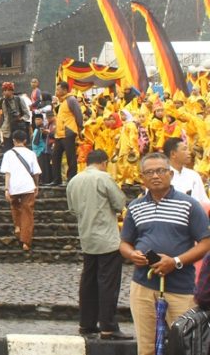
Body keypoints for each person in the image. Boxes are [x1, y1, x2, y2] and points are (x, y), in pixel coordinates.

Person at [120, 152, 210, 355]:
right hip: (143, 285)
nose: (155, 176)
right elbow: (124, 242)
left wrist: (176, 261)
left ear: (170, 173)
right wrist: (132, 254)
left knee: (187, 344)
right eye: (149, 172)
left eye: (160, 171)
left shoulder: (189, 205)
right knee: (146, 347)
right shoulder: (135, 207)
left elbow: (206, 243)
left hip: (180, 287)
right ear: (142, 177)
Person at [66, 150, 129, 340]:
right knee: (108, 283)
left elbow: (72, 209)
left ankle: (87, 324)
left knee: (88, 282)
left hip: (87, 237)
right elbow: (119, 203)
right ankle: (108, 326)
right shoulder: (104, 177)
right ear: (103, 162)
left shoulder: (73, 181)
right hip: (107, 239)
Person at [0, 130, 41, 251]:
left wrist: (6, 188)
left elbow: (7, 173)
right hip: (28, 186)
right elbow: (36, 173)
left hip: (14, 186)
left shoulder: (8, 154)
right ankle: (26, 242)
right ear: (25, 141)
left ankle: (17, 226)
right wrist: (36, 186)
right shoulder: (31, 153)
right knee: (27, 212)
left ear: (13, 141)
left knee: (15, 206)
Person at [51, 81, 83, 185]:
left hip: (68, 132)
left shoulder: (71, 100)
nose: (56, 91)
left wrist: (80, 128)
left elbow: (78, 114)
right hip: (59, 134)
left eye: (58, 89)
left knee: (71, 157)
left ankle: (72, 179)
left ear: (65, 90)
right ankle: (57, 179)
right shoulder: (61, 101)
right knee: (55, 157)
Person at [164, 138, 210, 205]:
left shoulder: (193, 175)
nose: (189, 152)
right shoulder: (161, 177)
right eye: (184, 149)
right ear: (173, 154)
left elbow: (204, 202)